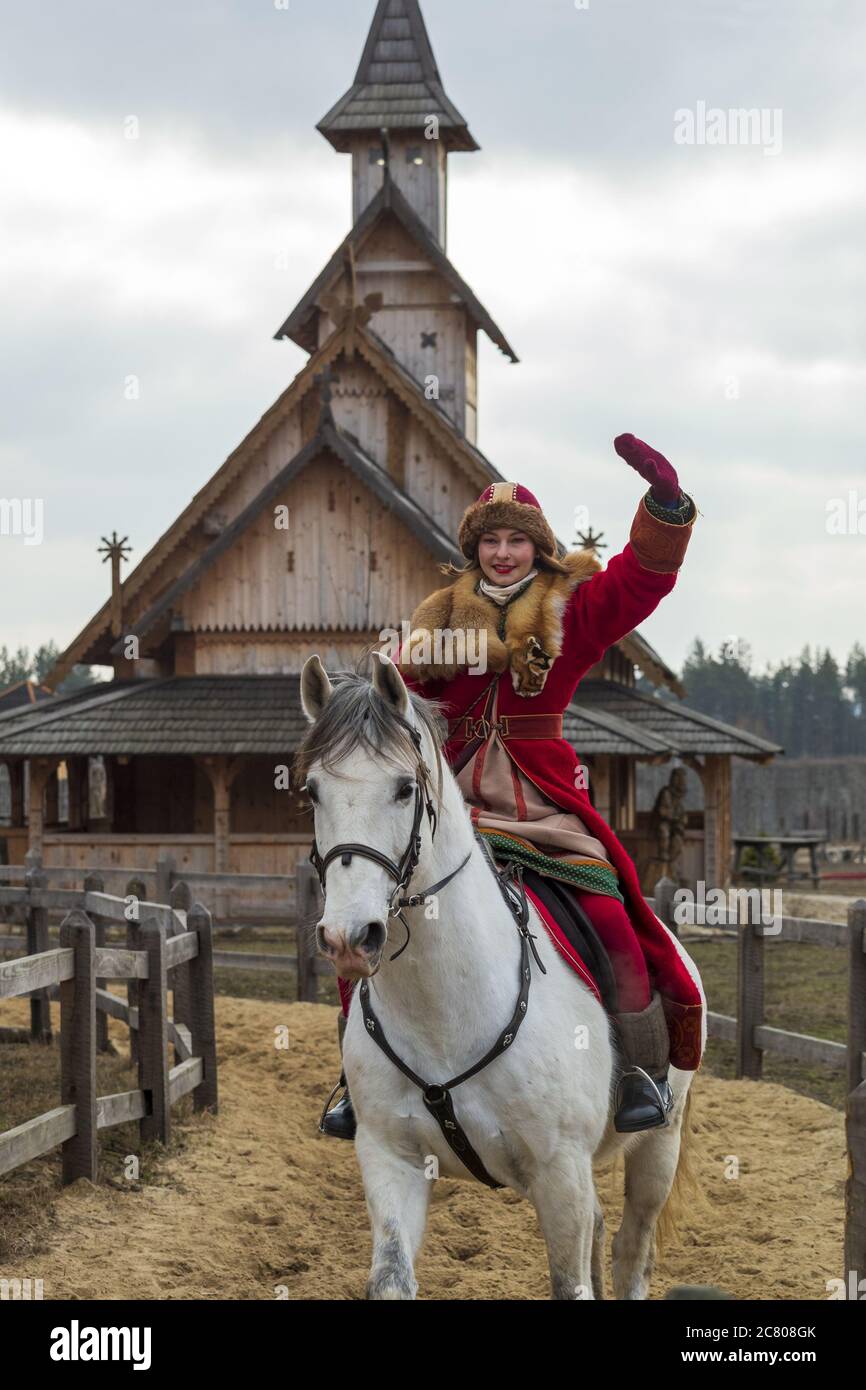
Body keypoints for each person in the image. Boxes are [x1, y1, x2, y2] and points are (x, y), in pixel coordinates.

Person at [320, 433, 704, 1141]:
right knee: (373, 915)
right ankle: (356, 1078)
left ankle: (633, 1073)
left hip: (547, 805)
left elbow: (641, 580)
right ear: (474, 551)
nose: (503, 553)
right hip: (454, 807)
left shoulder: (573, 613)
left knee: (613, 918)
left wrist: (666, 505)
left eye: (516, 542)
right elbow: (389, 710)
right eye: (490, 541)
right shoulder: (432, 631)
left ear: (538, 549)